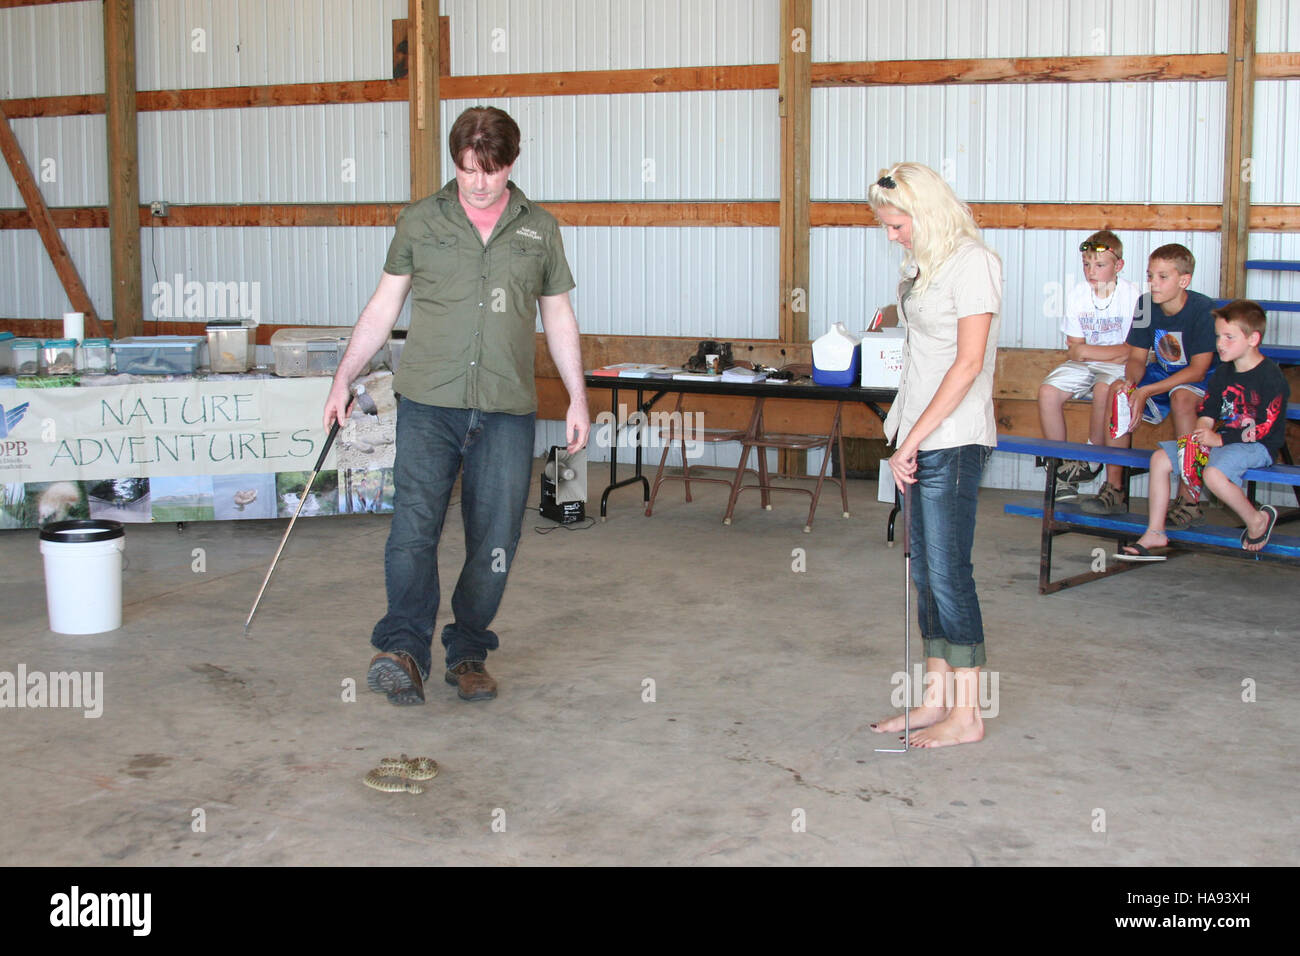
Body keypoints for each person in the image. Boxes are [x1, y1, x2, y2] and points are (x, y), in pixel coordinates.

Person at [323, 106, 589, 705]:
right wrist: (344, 377)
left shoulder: (539, 229)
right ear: (456, 163)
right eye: (468, 169)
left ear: (511, 164)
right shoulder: (421, 221)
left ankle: (468, 651)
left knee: (497, 536)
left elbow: (559, 315)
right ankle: (403, 650)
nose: (477, 182)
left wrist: (578, 397)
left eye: (490, 171)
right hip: (428, 404)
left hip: (505, 407)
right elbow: (383, 306)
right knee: (413, 529)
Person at [866, 162, 1003, 749]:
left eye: (897, 225)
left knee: (949, 574)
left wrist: (914, 441)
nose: (891, 236)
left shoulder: (975, 263)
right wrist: (904, 438)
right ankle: (933, 702)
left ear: (925, 214)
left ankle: (968, 716)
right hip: (918, 432)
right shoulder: (927, 262)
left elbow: (968, 363)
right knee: (924, 571)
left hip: (953, 437)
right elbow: (928, 334)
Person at [1117, 300, 1289, 560]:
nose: (1220, 344)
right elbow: (1208, 412)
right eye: (1218, 336)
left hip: (1256, 445)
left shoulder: (1270, 376)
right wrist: (1199, 437)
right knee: (1160, 459)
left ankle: (1257, 520)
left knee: (1213, 475)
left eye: (1229, 337)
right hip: (1222, 441)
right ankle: (1155, 531)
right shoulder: (1222, 372)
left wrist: (1218, 439)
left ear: (1253, 338)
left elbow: (1265, 426)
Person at [1083, 244, 1217, 523]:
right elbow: (1137, 358)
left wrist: (1147, 391)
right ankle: (1115, 488)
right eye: (1150, 275)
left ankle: (1189, 498)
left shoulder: (1202, 309)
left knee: (1181, 397)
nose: (1153, 283)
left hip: (1200, 380)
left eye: (1162, 277)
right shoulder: (1146, 304)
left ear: (1184, 281)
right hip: (1163, 375)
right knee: (1117, 389)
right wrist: (1131, 382)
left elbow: (1198, 369)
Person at [1036, 230, 1142, 498]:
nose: (1091, 271)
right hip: (1087, 364)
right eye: (1086, 264)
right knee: (1048, 392)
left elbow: (1132, 351)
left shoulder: (1134, 296)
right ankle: (1059, 469)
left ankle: (1093, 455)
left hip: (1117, 367)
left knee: (1104, 389)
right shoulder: (1078, 294)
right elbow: (1074, 350)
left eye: (1100, 265)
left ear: (1118, 266)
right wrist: (1093, 352)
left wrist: (1088, 351)